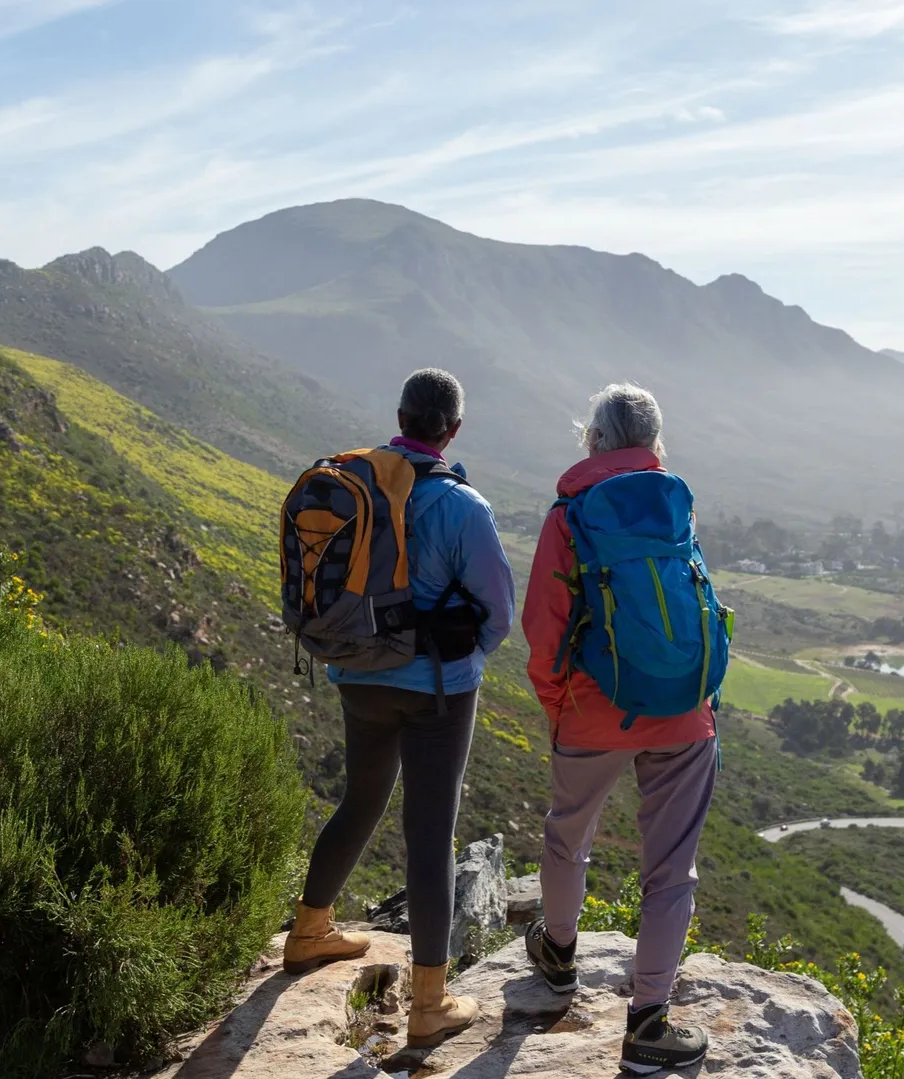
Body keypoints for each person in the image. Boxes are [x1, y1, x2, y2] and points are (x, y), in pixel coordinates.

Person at [281, 368, 517, 1050]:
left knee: (360, 799)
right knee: (430, 830)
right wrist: (466, 655)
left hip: (356, 675)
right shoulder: (462, 505)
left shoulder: (357, 484)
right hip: (437, 687)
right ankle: (429, 1001)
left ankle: (308, 929)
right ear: (453, 429)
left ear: (399, 416)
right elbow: (497, 612)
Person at [521, 383, 719, 1075]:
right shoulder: (674, 502)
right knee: (671, 870)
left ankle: (560, 957)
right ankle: (648, 1024)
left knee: (567, 835)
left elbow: (543, 632)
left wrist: (560, 705)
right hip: (684, 711)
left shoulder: (570, 513)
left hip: (593, 708)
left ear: (595, 440)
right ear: (656, 442)